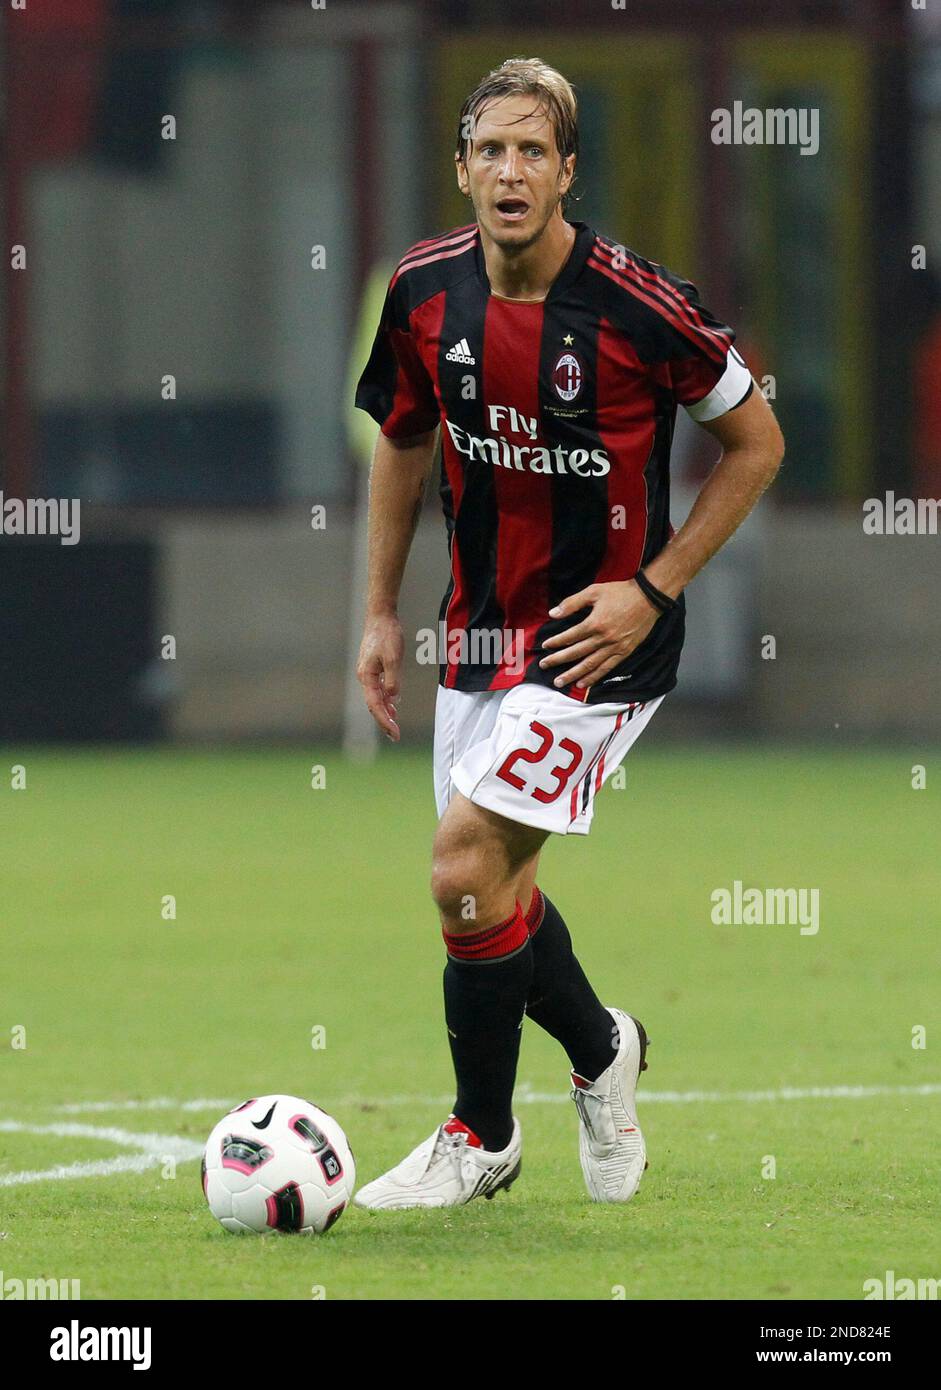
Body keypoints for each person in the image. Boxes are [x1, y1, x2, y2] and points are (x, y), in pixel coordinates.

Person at [353, 57, 784, 1210]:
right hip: (475, 631)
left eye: (532, 151)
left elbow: (756, 443)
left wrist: (654, 586)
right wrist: (379, 611)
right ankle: (600, 1049)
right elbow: (400, 439)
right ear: (460, 167)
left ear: (566, 171)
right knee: (481, 895)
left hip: (600, 643)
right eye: (489, 148)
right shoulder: (422, 291)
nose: (509, 171)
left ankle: (480, 1137)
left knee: (457, 864)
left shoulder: (641, 305)